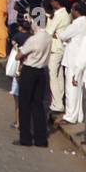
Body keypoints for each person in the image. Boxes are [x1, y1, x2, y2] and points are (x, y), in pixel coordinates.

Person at [15, 16, 52, 147]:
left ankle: (25, 138)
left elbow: (18, 55)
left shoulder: (33, 39)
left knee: (24, 104)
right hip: (42, 72)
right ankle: (40, 139)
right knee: (38, 105)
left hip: (29, 71)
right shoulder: (48, 37)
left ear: (36, 24)